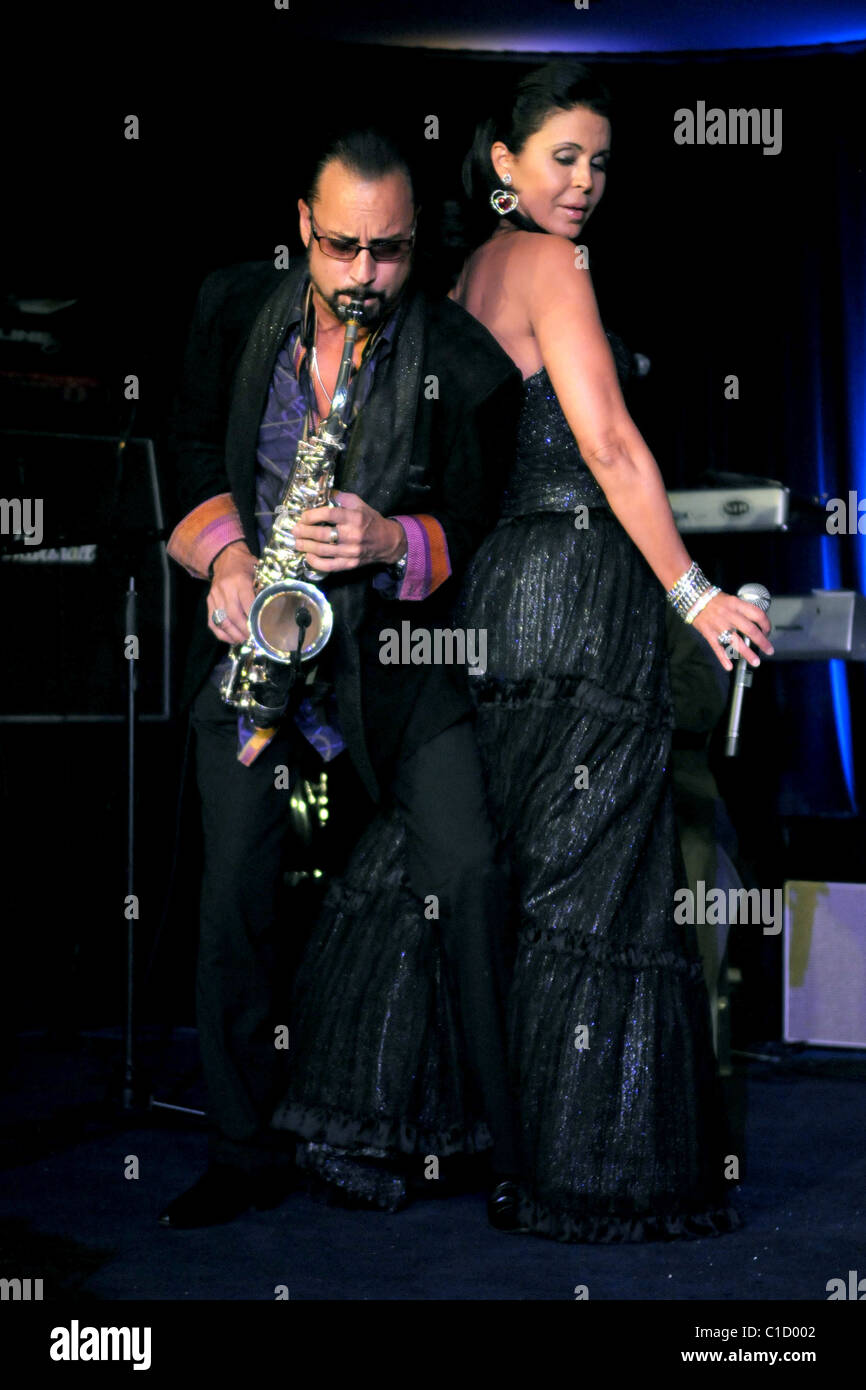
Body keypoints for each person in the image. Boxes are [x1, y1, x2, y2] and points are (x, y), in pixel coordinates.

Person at [276, 63, 774, 1242]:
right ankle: (584, 1169)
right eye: (562, 156)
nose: (586, 182)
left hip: (501, 595)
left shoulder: (464, 275)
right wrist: (695, 591)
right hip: (574, 596)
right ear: (500, 163)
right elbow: (605, 444)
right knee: (591, 890)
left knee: (469, 862)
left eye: (600, 162)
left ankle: (365, 1116)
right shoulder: (551, 265)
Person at [159, 128, 525, 1230]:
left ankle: (508, 1148)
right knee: (233, 893)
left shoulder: (461, 365)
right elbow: (183, 450)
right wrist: (225, 559)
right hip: (261, 652)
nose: (365, 276)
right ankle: (241, 1146)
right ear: (302, 229)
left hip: (399, 668)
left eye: (391, 253)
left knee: (467, 872)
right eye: (343, 250)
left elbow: (480, 526)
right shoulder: (231, 308)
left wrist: (389, 540)